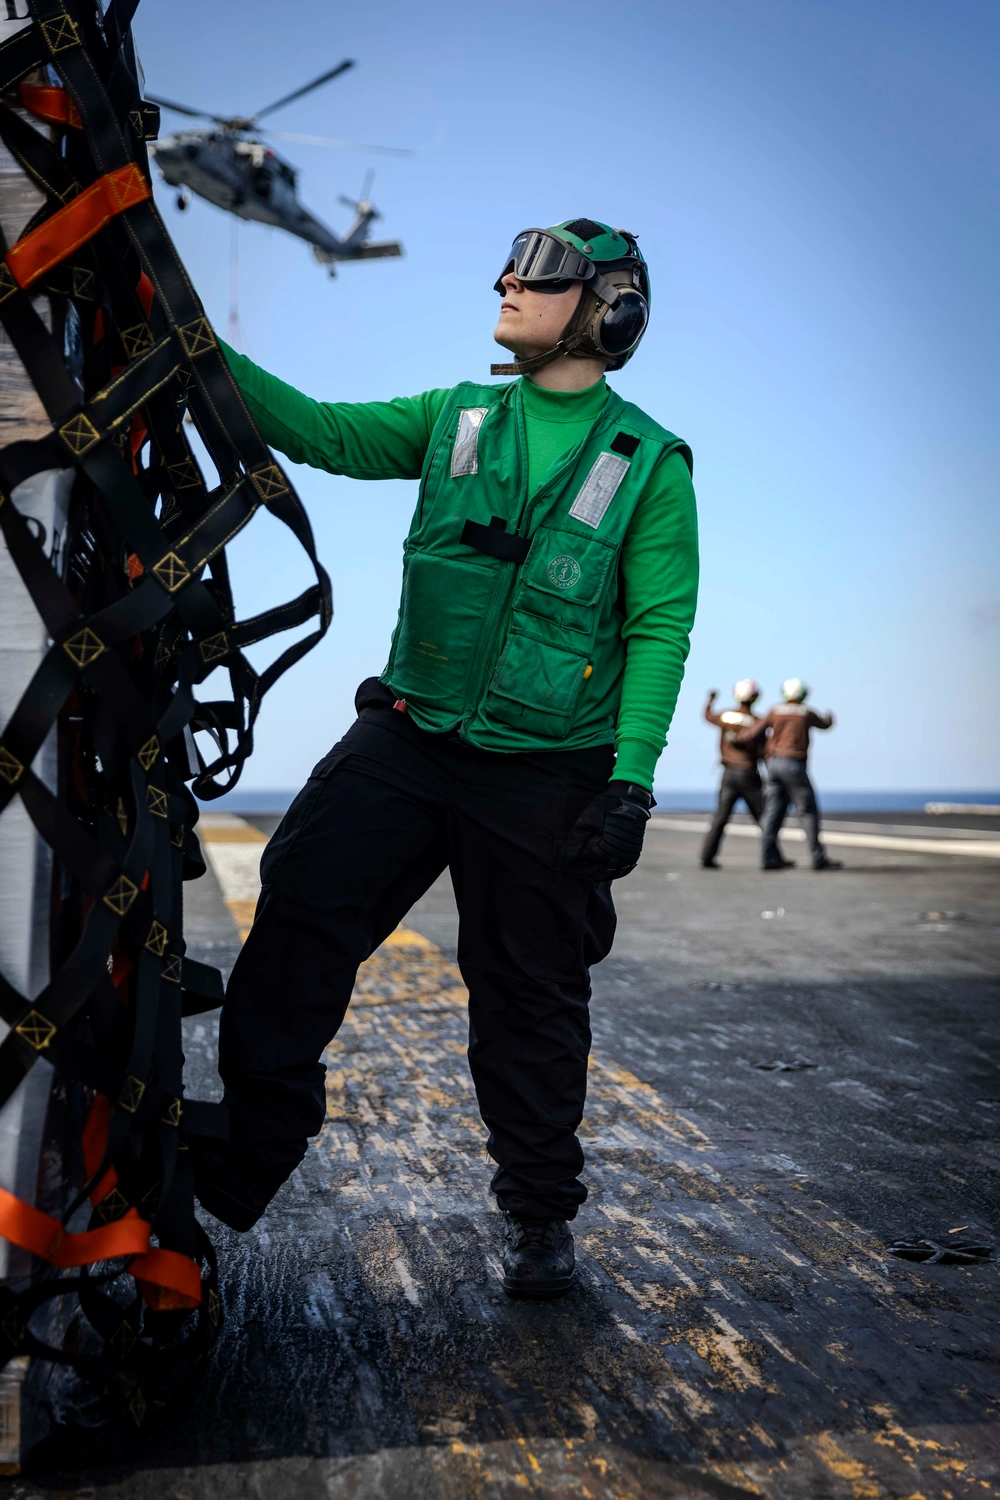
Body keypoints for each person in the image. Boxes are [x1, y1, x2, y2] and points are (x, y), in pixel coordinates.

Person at [194, 220, 699, 1299]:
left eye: (544, 277)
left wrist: (630, 780)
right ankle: (242, 1153)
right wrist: (187, 343)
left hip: (547, 767)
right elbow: (320, 431)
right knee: (299, 908)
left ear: (610, 311)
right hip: (413, 735)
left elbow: (659, 627)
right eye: (512, 269)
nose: (510, 283)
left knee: (529, 995)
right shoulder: (454, 417)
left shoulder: (648, 464)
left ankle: (537, 1216)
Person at [738, 679, 841, 871]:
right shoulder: (806, 713)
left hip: (774, 765)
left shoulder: (774, 710)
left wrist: (735, 738)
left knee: (773, 812)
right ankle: (818, 858)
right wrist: (830, 717)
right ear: (803, 694)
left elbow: (750, 733)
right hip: (794, 765)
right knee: (807, 810)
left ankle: (767, 858)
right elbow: (825, 724)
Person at [699, 679, 779, 869]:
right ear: (756, 697)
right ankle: (774, 856)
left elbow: (708, 716)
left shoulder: (726, 716)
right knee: (762, 816)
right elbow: (764, 752)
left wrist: (710, 700)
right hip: (748, 774)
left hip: (728, 774)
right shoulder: (758, 723)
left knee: (720, 817)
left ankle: (706, 856)